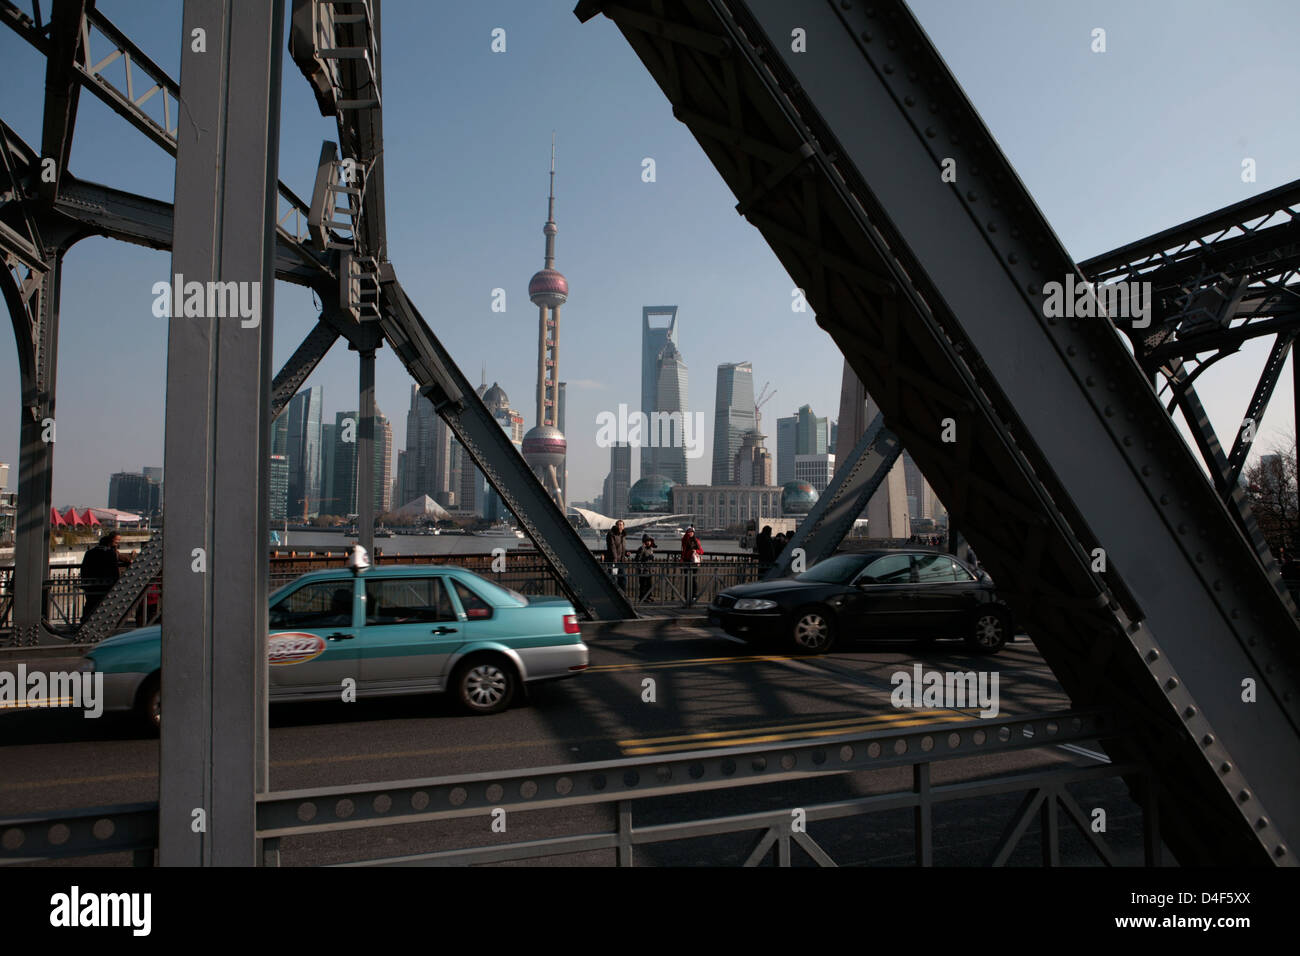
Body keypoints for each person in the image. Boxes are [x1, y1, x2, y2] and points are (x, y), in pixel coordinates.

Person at [80, 531, 132, 624]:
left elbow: (84, 569)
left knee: (90, 604)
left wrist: (84, 583)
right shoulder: (111, 553)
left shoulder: (89, 553)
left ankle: (85, 622)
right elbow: (114, 568)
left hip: (91, 584)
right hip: (106, 584)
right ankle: (101, 622)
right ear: (110, 542)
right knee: (104, 604)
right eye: (116, 541)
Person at [681, 526, 704, 606]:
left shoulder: (697, 540)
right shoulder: (685, 540)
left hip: (694, 562)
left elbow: (701, 551)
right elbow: (684, 541)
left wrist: (695, 551)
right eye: (688, 532)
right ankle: (687, 596)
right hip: (687, 561)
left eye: (691, 532)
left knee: (694, 579)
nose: (690, 533)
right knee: (687, 579)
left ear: (694, 533)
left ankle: (694, 595)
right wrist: (687, 535)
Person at [605, 519, 629, 591]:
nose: (619, 526)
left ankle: (623, 595)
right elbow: (612, 547)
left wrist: (626, 553)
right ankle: (613, 595)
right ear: (616, 526)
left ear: (623, 526)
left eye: (621, 525)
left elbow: (622, 547)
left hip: (621, 561)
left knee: (623, 579)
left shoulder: (623, 535)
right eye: (618, 525)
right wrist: (614, 560)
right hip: (613, 561)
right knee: (613, 579)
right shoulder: (611, 534)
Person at [634, 534, 657, 602]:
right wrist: (646, 558)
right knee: (643, 584)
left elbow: (652, 558)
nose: (649, 542)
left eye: (649, 541)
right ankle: (642, 598)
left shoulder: (651, 548)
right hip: (643, 569)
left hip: (649, 569)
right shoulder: (641, 548)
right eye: (647, 541)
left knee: (649, 584)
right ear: (644, 541)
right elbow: (637, 559)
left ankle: (649, 596)